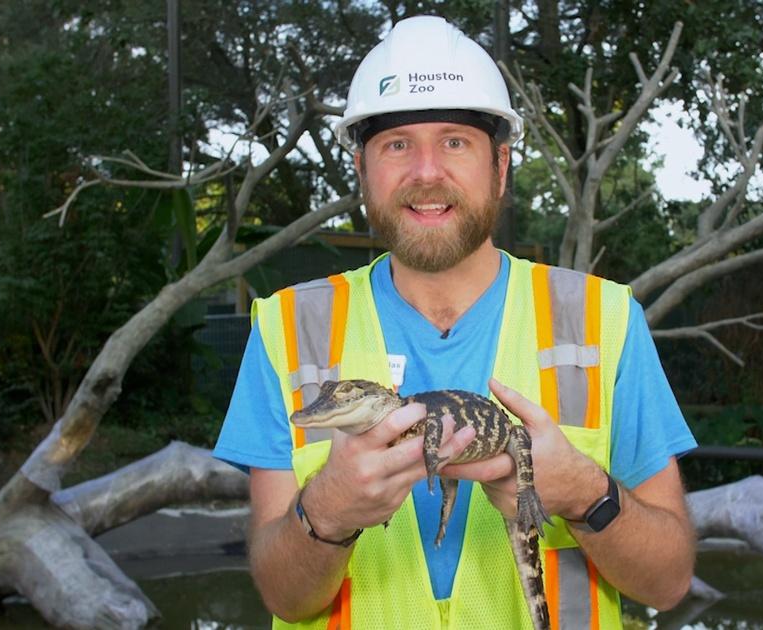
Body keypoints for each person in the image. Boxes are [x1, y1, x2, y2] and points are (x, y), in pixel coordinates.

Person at [213, 15, 697, 630]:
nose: (426, 172)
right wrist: (328, 511)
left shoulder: (605, 319)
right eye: (397, 144)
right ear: (361, 168)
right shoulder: (287, 327)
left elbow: (668, 582)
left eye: (455, 142)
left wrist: (584, 493)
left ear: (500, 164)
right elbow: (285, 597)